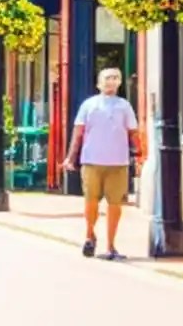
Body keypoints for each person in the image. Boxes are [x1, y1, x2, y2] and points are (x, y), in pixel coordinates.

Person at [62, 67, 141, 260]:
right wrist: (70, 157)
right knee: (91, 201)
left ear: (120, 83)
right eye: (107, 78)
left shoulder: (124, 106)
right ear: (99, 83)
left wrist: (138, 154)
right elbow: (78, 132)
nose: (111, 81)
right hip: (92, 161)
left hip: (118, 162)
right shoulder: (89, 105)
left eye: (115, 78)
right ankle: (89, 234)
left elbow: (133, 133)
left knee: (114, 204)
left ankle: (111, 245)